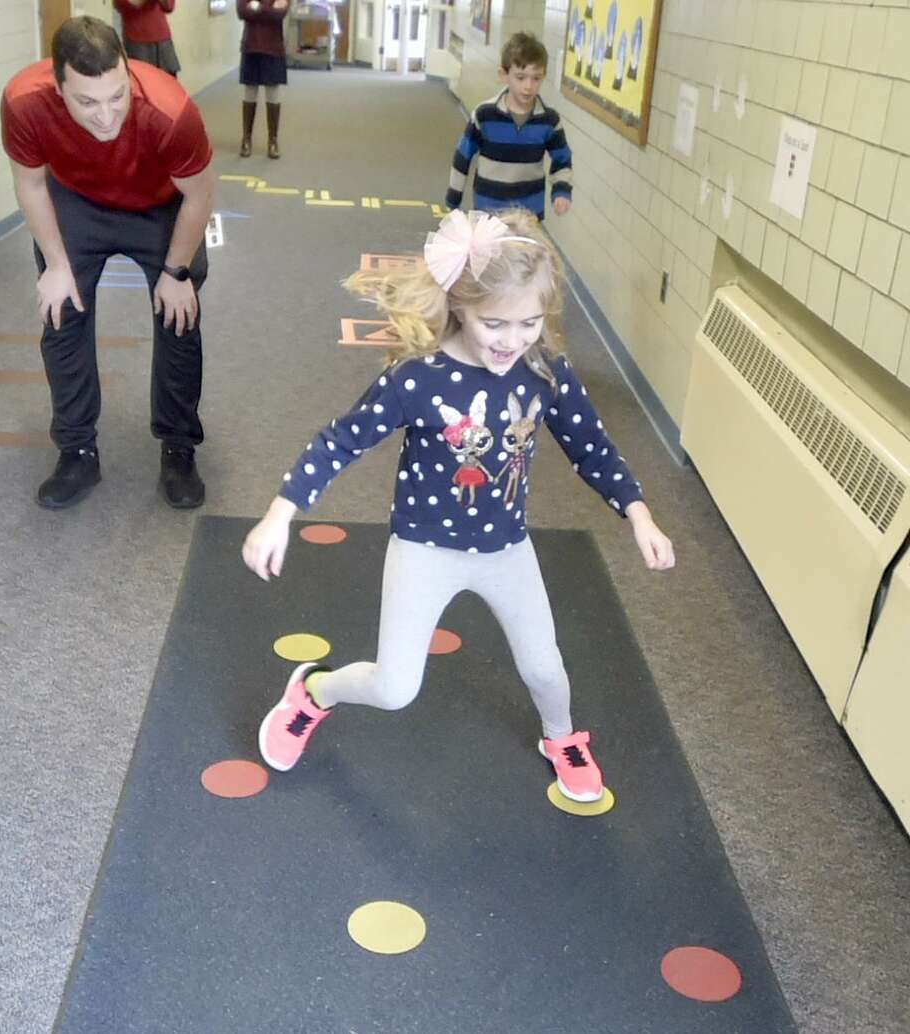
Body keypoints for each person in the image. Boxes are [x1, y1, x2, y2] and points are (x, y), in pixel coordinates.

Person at [242, 208, 674, 802]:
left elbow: (593, 449)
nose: (513, 341)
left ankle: (562, 737)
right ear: (460, 305)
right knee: (395, 688)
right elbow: (340, 441)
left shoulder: (545, 372)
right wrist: (280, 512)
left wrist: (639, 514)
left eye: (529, 323)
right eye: (495, 323)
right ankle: (313, 692)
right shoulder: (417, 379)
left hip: (505, 550)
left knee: (545, 667)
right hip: (424, 548)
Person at [0, 15, 214, 510]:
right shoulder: (24, 102)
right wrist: (56, 266)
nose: (106, 115)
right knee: (62, 314)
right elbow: (30, 184)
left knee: (178, 316)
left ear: (126, 74)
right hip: (77, 201)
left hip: (160, 206)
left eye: (117, 96)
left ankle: (179, 447)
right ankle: (76, 450)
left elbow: (200, 194)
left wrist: (177, 272)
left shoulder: (168, 108)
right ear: (59, 87)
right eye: (87, 101)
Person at [445, 32, 573, 220]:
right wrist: (453, 200)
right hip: (488, 213)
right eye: (520, 77)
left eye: (536, 78)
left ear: (544, 76)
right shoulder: (484, 115)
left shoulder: (549, 120)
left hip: (528, 216)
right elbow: (463, 157)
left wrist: (561, 191)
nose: (528, 86)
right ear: (503, 75)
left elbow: (562, 159)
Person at [236, 0, 289, 158]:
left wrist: (257, 7)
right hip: (251, 46)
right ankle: (246, 139)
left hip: (273, 48)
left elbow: (280, 14)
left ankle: (273, 141)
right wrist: (269, 9)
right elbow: (241, 12)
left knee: (273, 92)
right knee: (250, 91)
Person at [113, 0, 181, 77]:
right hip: (137, 41)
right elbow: (120, 5)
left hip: (163, 39)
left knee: (169, 82)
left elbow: (169, 7)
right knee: (142, 80)